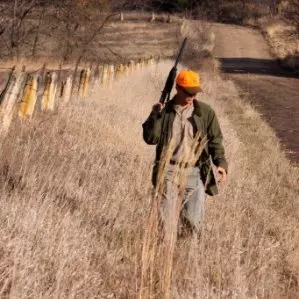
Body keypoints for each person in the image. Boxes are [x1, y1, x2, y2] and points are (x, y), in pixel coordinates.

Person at [142, 69, 228, 234]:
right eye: (188, 92)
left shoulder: (205, 112)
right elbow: (150, 139)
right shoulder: (164, 111)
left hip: (194, 171)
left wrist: (221, 163)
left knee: (193, 221)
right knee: (166, 222)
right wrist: (155, 115)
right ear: (178, 88)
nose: (192, 96)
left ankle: (186, 253)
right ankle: (166, 253)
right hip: (168, 170)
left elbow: (215, 141)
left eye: (195, 92)